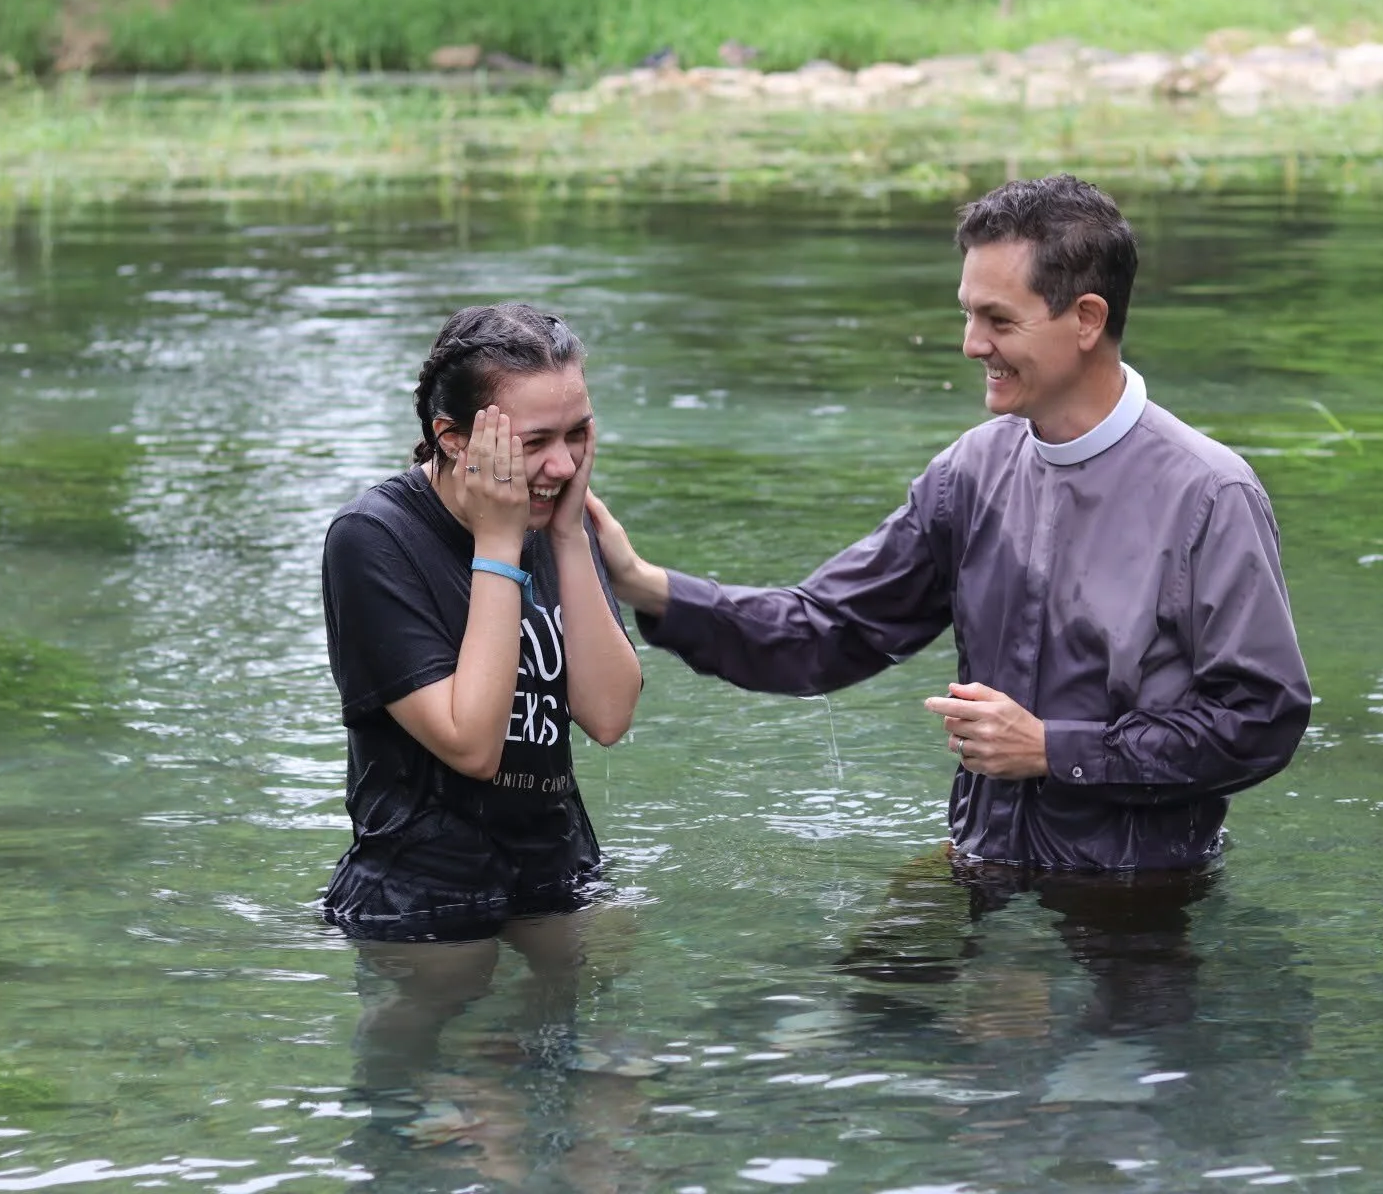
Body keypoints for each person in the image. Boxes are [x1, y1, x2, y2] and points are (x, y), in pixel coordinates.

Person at [590, 175, 1311, 871]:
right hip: (981, 864)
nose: (971, 344)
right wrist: (649, 588)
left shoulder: (1210, 496)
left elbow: (1262, 720)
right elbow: (825, 632)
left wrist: (1054, 749)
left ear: (1087, 319)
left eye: (998, 320)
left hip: (1137, 899)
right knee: (862, 994)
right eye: (967, 314)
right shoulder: (971, 474)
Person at [318, 303, 642, 1103]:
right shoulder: (373, 538)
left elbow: (607, 714)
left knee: (582, 1097)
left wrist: (565, 538)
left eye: (577, 434)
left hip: (555, 871)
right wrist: (500, 547)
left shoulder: (552, 516)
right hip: (423, 894)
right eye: (533, 443)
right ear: (454, 438)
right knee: (440, 1108)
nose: (563, 466)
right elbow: (470, 742)